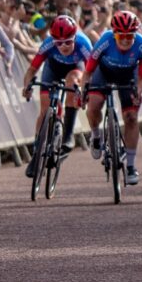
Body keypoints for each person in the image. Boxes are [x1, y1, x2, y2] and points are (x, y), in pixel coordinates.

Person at [83, 11, 142, 185]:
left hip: (129, 76)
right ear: (114, 33)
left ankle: (130, 166)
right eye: (121, 35)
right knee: (94, 104)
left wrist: (138, 92)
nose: (126, 40)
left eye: (130, 36)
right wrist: (84, 88)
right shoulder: (105, 40)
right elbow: (88, 70)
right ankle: (96, 136)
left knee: (131, 118)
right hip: (104, 73)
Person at [21, 14, 92, 175]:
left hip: (76, 68)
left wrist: (85, 92)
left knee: (72, 81)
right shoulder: (47, 44)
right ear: (53, 40)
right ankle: (37, 154)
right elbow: (32, 70)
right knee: (45, 110)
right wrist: (27, 86)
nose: (64, 46)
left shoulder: (83, 43)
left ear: (75, 37)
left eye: (68, 41)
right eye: (59, 43)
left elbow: (91, 72)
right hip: (52, 69)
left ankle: (67, 136)